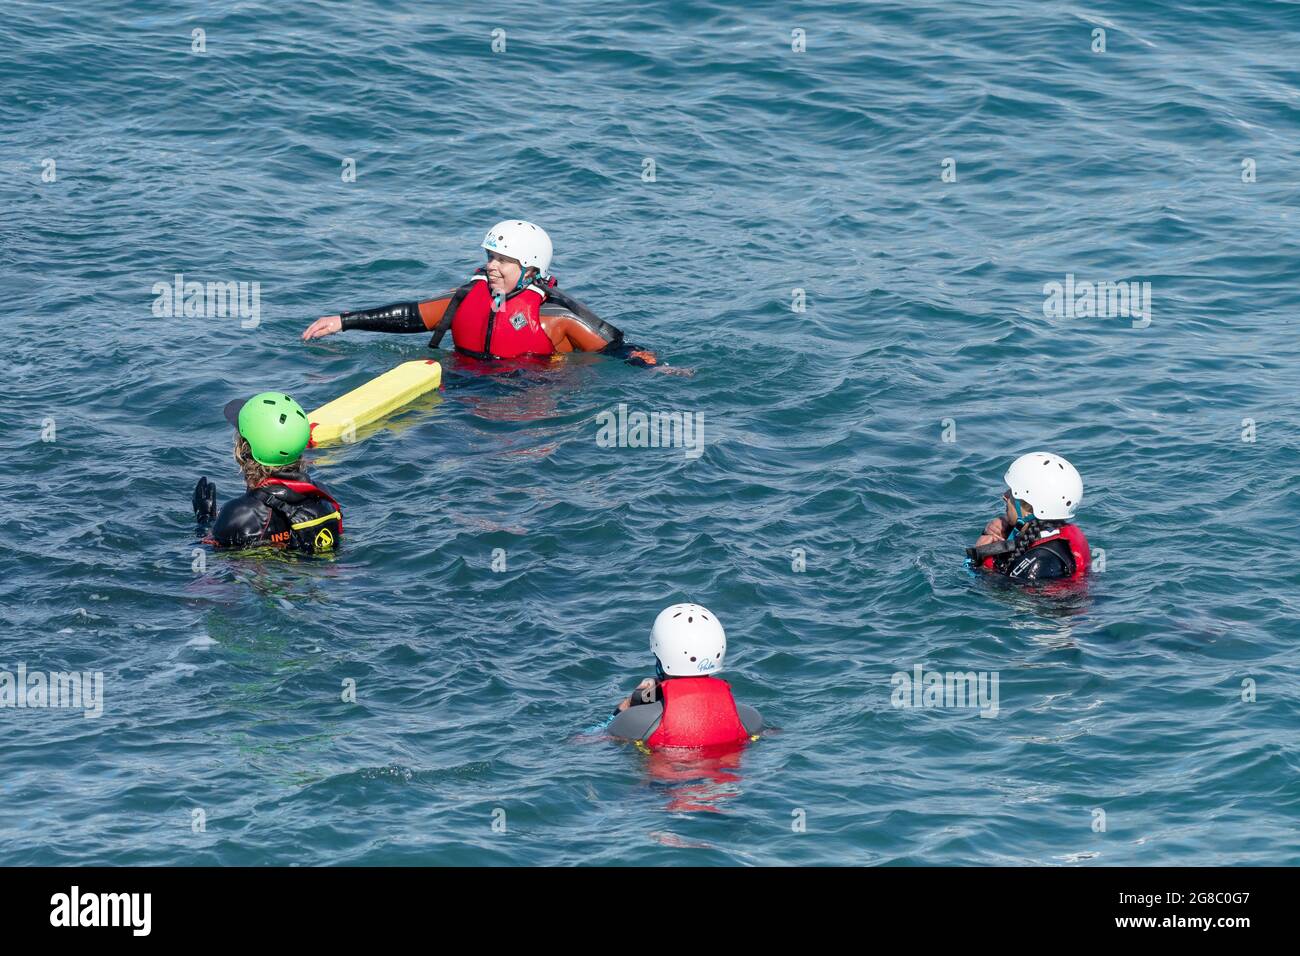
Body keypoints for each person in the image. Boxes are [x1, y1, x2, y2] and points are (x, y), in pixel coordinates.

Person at [301, 220, 661, 367]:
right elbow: (410, 316)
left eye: (503, 260)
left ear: (531, 270)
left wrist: (659, 369)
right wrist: (343, 322)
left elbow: (618, 350)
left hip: (528, 400)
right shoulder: (466, 298)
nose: (491, 266)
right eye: (490, 257)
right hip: (462, 390)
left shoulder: (558, 317)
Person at [192, 392, 343, 553]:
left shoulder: (238, 514)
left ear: (245, 450)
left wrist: (204, 521)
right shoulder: (322, 496)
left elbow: (206, 564)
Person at [607, 604, 763, 751]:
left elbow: (591, 739)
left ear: (661, 658)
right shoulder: (749, 718)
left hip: (666, 779)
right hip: (724, 778)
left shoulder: (636, 721)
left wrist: (625, 707)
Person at [966, 452, 1089, 581]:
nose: (1005, 496)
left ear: (1030, 509)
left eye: (1012, 494)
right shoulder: (1060, 534)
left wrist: (977, 557)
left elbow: (1003, 596)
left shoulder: (1039, 561)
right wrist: (1007, 530)